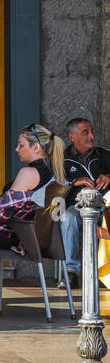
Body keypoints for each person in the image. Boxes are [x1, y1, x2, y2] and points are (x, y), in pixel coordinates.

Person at [0, 123, 65, 257]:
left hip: (5, 236)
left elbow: (1, 213)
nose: (16, 149)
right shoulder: (56, 174)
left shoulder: (28, 173)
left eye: (21, 145)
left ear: (36, 147)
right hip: (32, 238)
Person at [59, 118, 110, 279]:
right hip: (78, 209)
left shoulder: (104, 154)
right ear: (72, 137)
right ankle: (71, 272)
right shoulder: (61, 159)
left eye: (91, 131)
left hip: (106, 207)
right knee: (68, 217)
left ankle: (105, 273)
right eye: (85, 132)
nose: (92, 136)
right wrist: (73, 182)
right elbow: (52, 184)